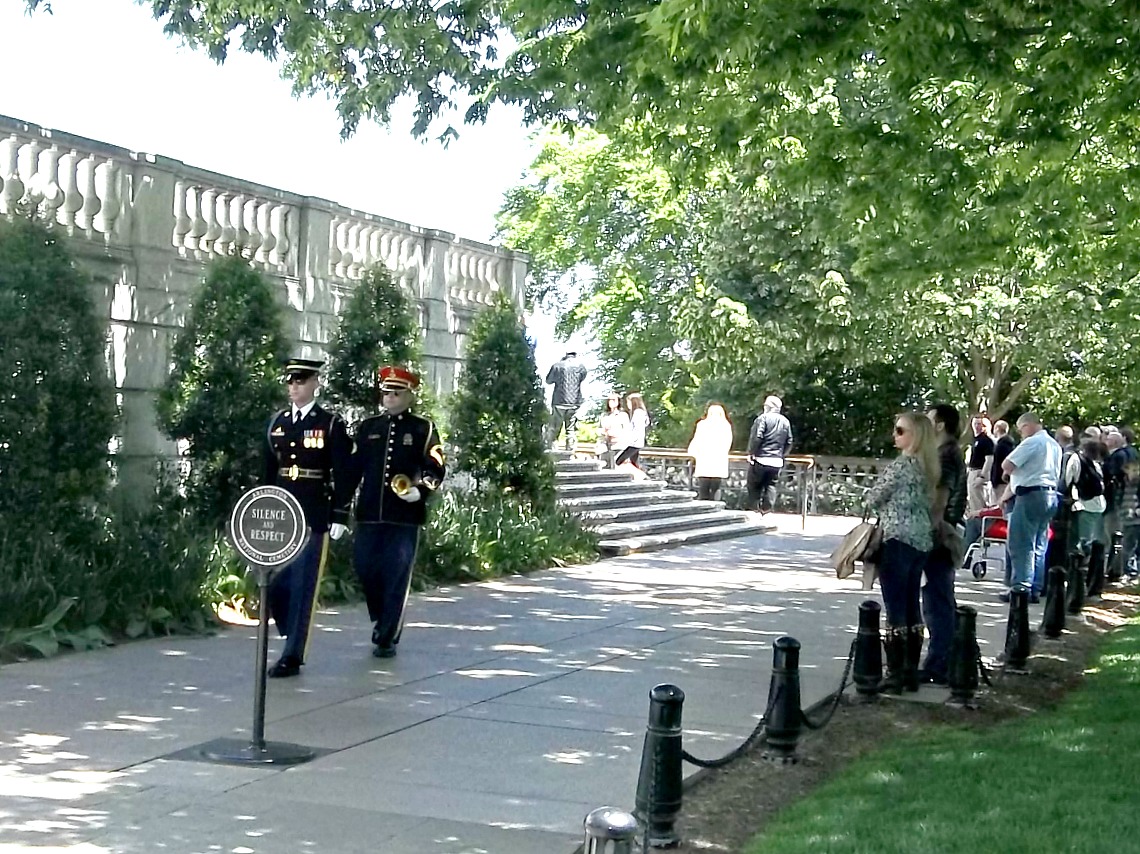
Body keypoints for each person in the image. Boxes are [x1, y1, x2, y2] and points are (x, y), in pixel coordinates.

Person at [262, 357, 355, 678]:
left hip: (314, 513)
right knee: (275, 586)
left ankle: (292, 655)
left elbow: (344, 472)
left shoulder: (329, 423)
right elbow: (267, 472)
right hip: (283, 515)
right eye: (290, 382)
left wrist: (341, 514)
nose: (294, 387)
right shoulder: (279, 423)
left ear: (315, 383)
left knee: (303, 587)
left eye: (300, 381)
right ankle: (289, 633)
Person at [347, 365, 446, 658]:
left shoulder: (422, 428)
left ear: (409, 395)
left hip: (403, 517)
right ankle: (381, 614)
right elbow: (353, 469)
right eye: (386, 392)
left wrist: (422, 490)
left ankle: (387, 634)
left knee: (396, 574)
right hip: (369, 514)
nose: (389, 397)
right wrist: (339, 505)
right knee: (365, 567)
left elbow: (436, 466)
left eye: (396, 392)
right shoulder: (368, 428)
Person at [866, 411, 939, 693]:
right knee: (911, 605)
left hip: (897, 539)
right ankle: (909, 670)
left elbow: (873, 498)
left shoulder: (903, 465)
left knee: (896, 606)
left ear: (914, 436)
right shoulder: (928, 466)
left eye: (900, 431)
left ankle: (896, 672)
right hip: (921, 539)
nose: (895, 435)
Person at [921, 404, 967, 686]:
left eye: (928, 419)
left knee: (939, 600)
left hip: (939, 534)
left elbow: (940, 499)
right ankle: (940, 660)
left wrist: (927, 530)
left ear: (939, 425)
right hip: (940, 532)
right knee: (937, 597)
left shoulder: (947, 455)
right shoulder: (944, 453)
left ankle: (940, 663)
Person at [1001, 411, 1062, 602]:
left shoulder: (1032, 442)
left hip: (1030, 494)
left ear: (1027, 425)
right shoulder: (1054, 445)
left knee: (1021, 542)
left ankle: (1021, 587)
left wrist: (1009, 475)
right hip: (1049, 494)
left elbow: (1007, 464)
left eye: (1021, 430)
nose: (1021, 434)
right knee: (1039, 543)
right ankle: (1035, 586)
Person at [1073, 436, 1107, 597]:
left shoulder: (1082, 462)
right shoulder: (1097, 466)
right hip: (1098, 506)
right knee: (1094, 543)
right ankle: (1088, 581)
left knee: (1083, 543)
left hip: (1087, 506)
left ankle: (1080, 579)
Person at [746, 395, 793, 514]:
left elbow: (757, 437)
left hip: (761, 458)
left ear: (768, 406)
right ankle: (766, 510)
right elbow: (789, 441)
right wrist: (782, 455)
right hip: (776, 460)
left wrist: (752, 453)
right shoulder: (785, 421)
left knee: (754, 485)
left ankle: (754, 510)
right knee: (771, 485)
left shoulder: (762, 418)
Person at [687, 404, 733, 500]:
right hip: (719, 460)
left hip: (704, 460)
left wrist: (693, 453)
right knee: (716, 489)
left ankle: (704, 509)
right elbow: (728, 442)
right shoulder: (725, 425)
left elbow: (696, 440)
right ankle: (716, 508)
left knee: (703, 488)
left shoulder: (702, 424)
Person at [544, 351, 587, 452]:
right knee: (571, 429)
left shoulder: (557, 365)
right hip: (574, 402)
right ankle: (570, 451)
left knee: (555, 427)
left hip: (559, 400)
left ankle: (553, 451)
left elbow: (548, 380)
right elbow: (582, 378)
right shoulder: (581, 366)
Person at [966, 416, 995, 515]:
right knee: (972, 501)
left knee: (979, 503)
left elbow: (989, 459)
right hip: (972, 471)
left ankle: (981, 527)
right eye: (975, 424)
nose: (977, 426)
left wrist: (982, 476)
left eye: (979, 424)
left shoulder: (986, 440)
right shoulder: (975, 440)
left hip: (979, 472)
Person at [616, 392, 650, 468]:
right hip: (637, 443)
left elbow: (637, 429)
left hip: (634, 443)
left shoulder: (638, 413)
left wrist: (629, 441)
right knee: (633, 463)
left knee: (618, 461)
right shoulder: (640, 413)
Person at [598, 393, 630, 469]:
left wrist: (615, 434)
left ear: (618, 402)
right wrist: (604, 432)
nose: (611, 402)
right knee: (605, 468)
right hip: (605, 447)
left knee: (617, 468)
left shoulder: (623, 415)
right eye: (609, 400)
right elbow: (599, 429)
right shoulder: (604, 416)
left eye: (614, 400)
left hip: (618, 445)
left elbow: (627, 431)